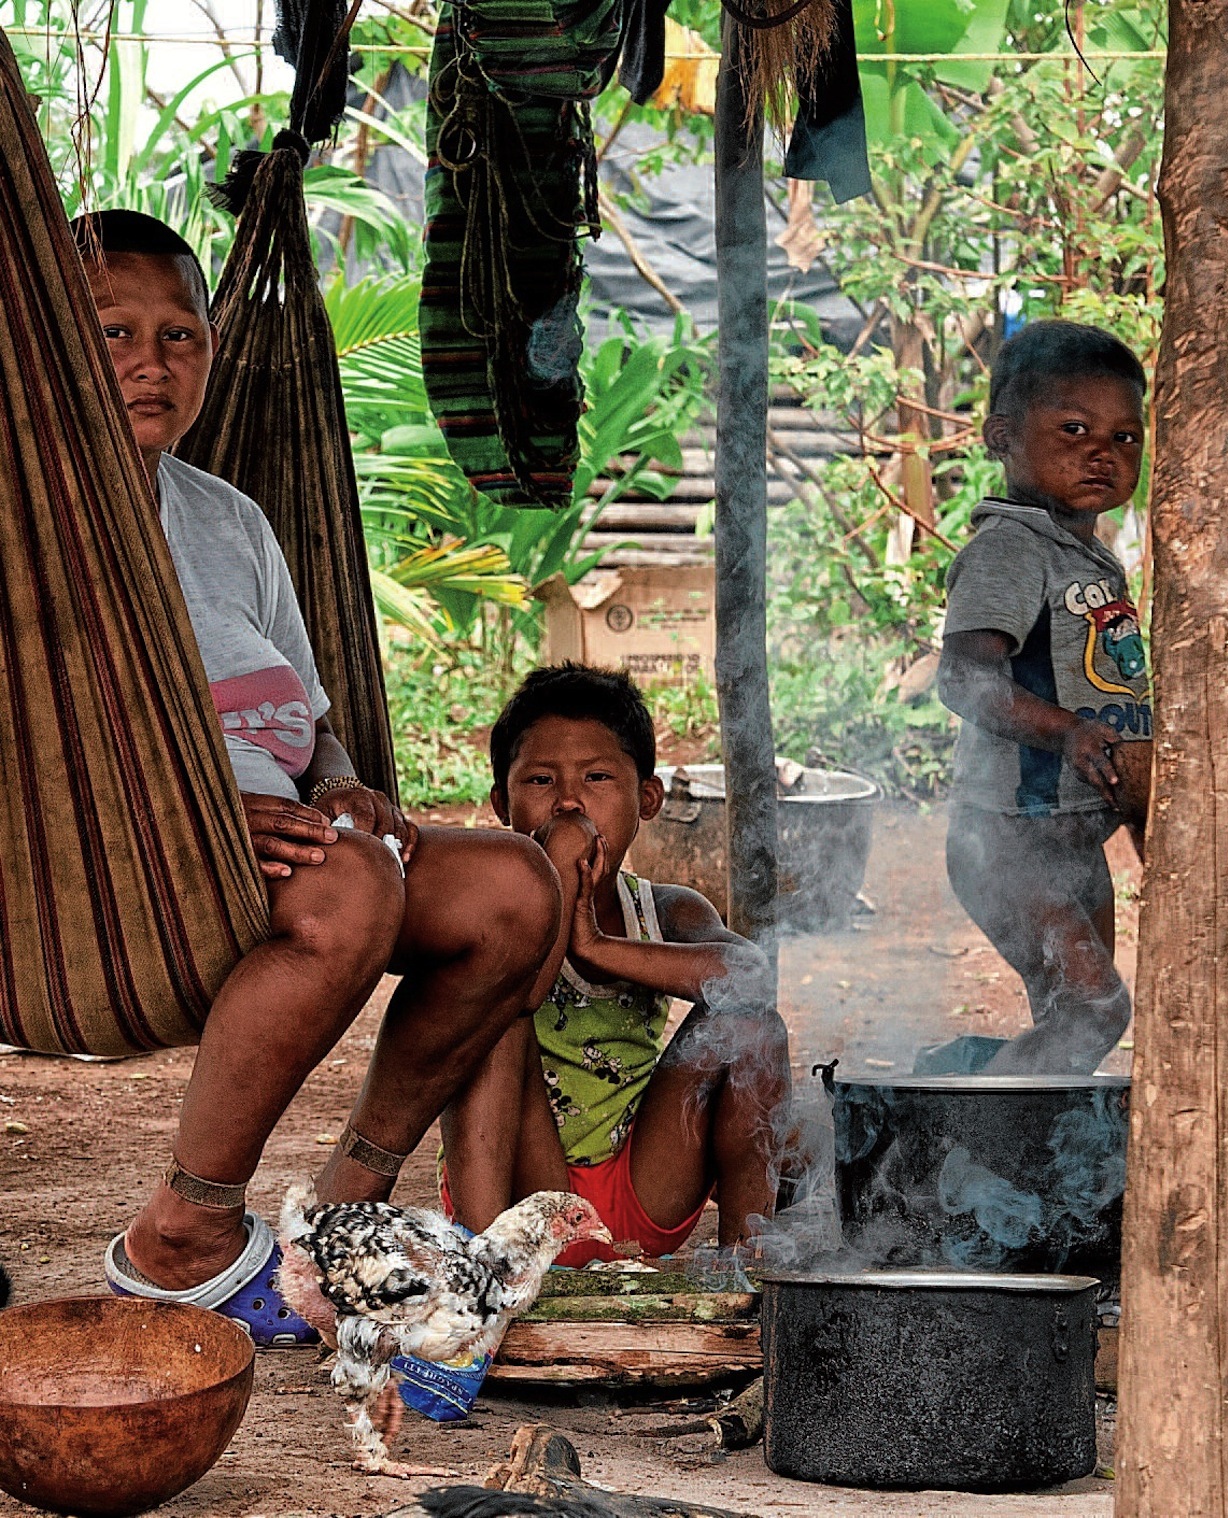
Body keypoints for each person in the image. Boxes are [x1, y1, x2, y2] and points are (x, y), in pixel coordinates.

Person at [75, 210, 562, 1343]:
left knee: (512, 893)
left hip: (284, 840)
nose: (154, 362)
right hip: (112, 867)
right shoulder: (23, 520)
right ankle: (183, 1229)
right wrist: (188, 818)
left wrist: (342, 783)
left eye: (181, 335)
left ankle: (347, 1203)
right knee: (350, 886)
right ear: (54, 342)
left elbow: (311, 716)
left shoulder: (227, 518)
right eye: (113, 333)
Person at [439, 664, 790, 1266]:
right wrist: (553, 915)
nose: (570, 800)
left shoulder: (666, 909)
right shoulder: (485, 915)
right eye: (541, 780)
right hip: (520, 1192)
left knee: (754, 1027)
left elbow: (752, 978)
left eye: (598, 777)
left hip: (644, 1185)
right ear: (501, 803)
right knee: (487, 1017)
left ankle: (747, 1269)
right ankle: (480, 1276)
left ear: (646, 799)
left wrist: (596, 945)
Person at [936, 319, 1151, 1075]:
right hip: (1007, 842)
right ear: (1002, 435)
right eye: (1074, 429)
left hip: (1073, 842)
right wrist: (1067, 734)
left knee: (1074, 1027)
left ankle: (998, 1164)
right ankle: (961, 1142)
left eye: (1127, 437)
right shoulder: (1010, 549)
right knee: (1095, 1008)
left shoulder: (1088, 556)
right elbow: (963, 679)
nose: (1104, 451)